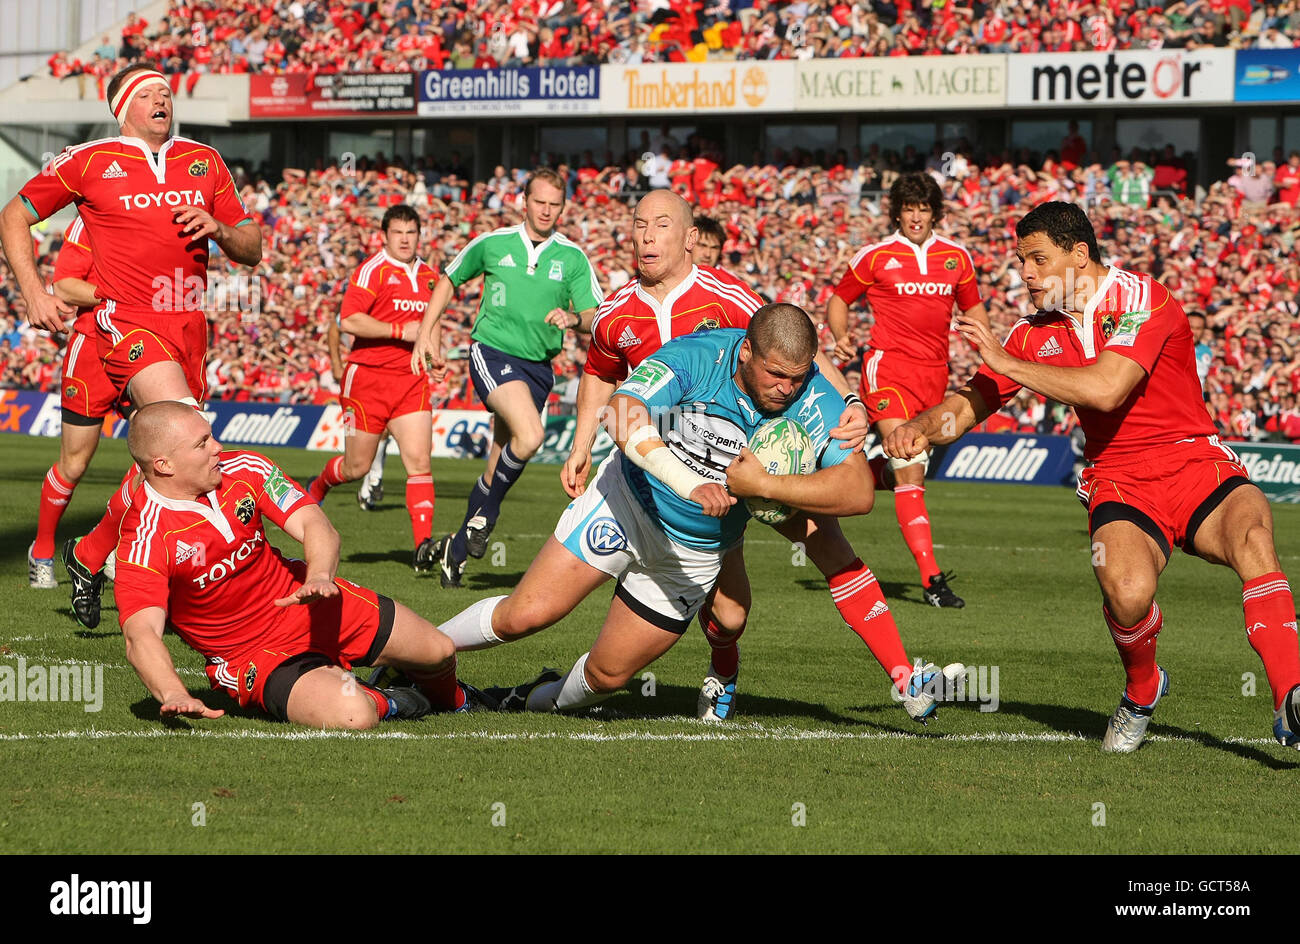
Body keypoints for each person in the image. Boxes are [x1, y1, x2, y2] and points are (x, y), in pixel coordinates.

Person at [884, 200, 1300, 753]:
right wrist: (918, 429)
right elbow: (967, 406)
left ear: (1079, 254)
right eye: (1020, 261)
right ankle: (1143, 688)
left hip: (1197, 461)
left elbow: (1108, 388)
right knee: (1128, 594)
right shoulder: (1032, 335)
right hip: (1120, 478)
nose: (1024, 274)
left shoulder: (1141, 297)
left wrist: (1006, 364)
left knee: (1254, 541)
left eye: (1036, 259)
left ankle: (1290, 697)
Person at [438, 305, 958, 720]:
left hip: (694, 551)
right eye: (776, 374)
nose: (788, 388)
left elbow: (858, 493)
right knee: (525, 615)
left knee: (607, 677)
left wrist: (768, 484)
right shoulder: (697, 354)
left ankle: (525, 700)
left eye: (798, 378)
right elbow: (620, 411)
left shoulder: (812, 396)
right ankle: (416, 655)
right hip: (627, 505)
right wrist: (690, 484)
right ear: (745, 351)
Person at [566, 189, 952, 723]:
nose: (650, 237)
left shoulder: (729, 297)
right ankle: (723, 668)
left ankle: (906, 679)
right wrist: (583, 440)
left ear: (688, 240)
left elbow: (798, 348)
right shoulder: (617, 309)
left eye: (662, 227)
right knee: (728, 615)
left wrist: (851, 402)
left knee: (828, 543)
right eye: (641, 226)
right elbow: (600, 375)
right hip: (677, 476)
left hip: (755, 450)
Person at [0, 62, 262, 626]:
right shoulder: (90, 162)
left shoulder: (206, 162)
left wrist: (219, 229)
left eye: (166, 92)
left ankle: (91, 554)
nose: (161, 100)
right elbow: (13, 216)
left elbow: (253, 247)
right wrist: (34, 293)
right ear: (124, 108)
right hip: (123, 323)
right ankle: (58, 551)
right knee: (178, 435)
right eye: (147, 93)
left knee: (168, 458)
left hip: (188, 325)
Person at [114, 402, 489, 726]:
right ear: (163, 464)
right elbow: (140, 634)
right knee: (354, 715)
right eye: (202, 444)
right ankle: (393, 698)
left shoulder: (245, 468)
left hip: (310, 602)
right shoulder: (143, 538)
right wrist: (173, 692)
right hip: (252, 655)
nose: (217, 447)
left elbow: (314, 523)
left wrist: (320, 575)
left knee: (439, 650)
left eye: (211, 435)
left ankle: (459, 701)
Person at [411, 167, 603, 587]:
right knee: (531, 435)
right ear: (524, 201)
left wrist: (573, 318)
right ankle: (488, 514)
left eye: (555, 204)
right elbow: (449, 279)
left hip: (538, 367)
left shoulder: (571, 257)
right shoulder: (494, 243)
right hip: (492, 351)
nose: (547, 210)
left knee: (501, 457)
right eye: (540, 202)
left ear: (564, 207)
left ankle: (456, 551)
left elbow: (596, 315)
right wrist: (427, 330)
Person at [827, 172, 989, 608]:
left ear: (935, 212)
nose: (916, 216)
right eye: (908, 208)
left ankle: (840, 480)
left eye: (924, 208)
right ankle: (932, 580)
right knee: (912, 461)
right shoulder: (875, 256)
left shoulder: (957, 257)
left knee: (902, 469)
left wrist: (991, 356)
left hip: (934, 378)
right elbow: (839, 299)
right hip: (887, 369)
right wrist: (841, 335)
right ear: (897, 211)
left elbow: (974, 309)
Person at [306, 205, 440, 570]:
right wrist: (400, 332)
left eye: (411, 232)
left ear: (419, 235)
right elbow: (349, 320)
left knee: (419, 462)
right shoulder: (371, 271)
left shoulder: (430, 275)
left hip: (411, 380)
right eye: (398, 232)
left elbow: (433, 320)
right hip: (367, 380)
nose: (405, 239)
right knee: (356, 468)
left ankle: (423, 546)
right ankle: (317, 488)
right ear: (384, 235)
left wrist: (434, 356)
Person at [27, 216, 124, 588]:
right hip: (92, 349)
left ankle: (108, 549)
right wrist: (115, 293)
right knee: (75, 462)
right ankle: (42, 551)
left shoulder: (156, 214)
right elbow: (65, 286)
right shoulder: (90, 223)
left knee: (162, 455)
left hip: (147, 347)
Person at [326, 316, 392, 512]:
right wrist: (336, 364)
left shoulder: (402, 300)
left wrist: (429, 362)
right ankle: (322, 484)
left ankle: (374, 479)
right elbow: (334, 328)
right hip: (359, 379)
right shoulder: (362, 299)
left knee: (386, 429)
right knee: (355, 459)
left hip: (391, 375)